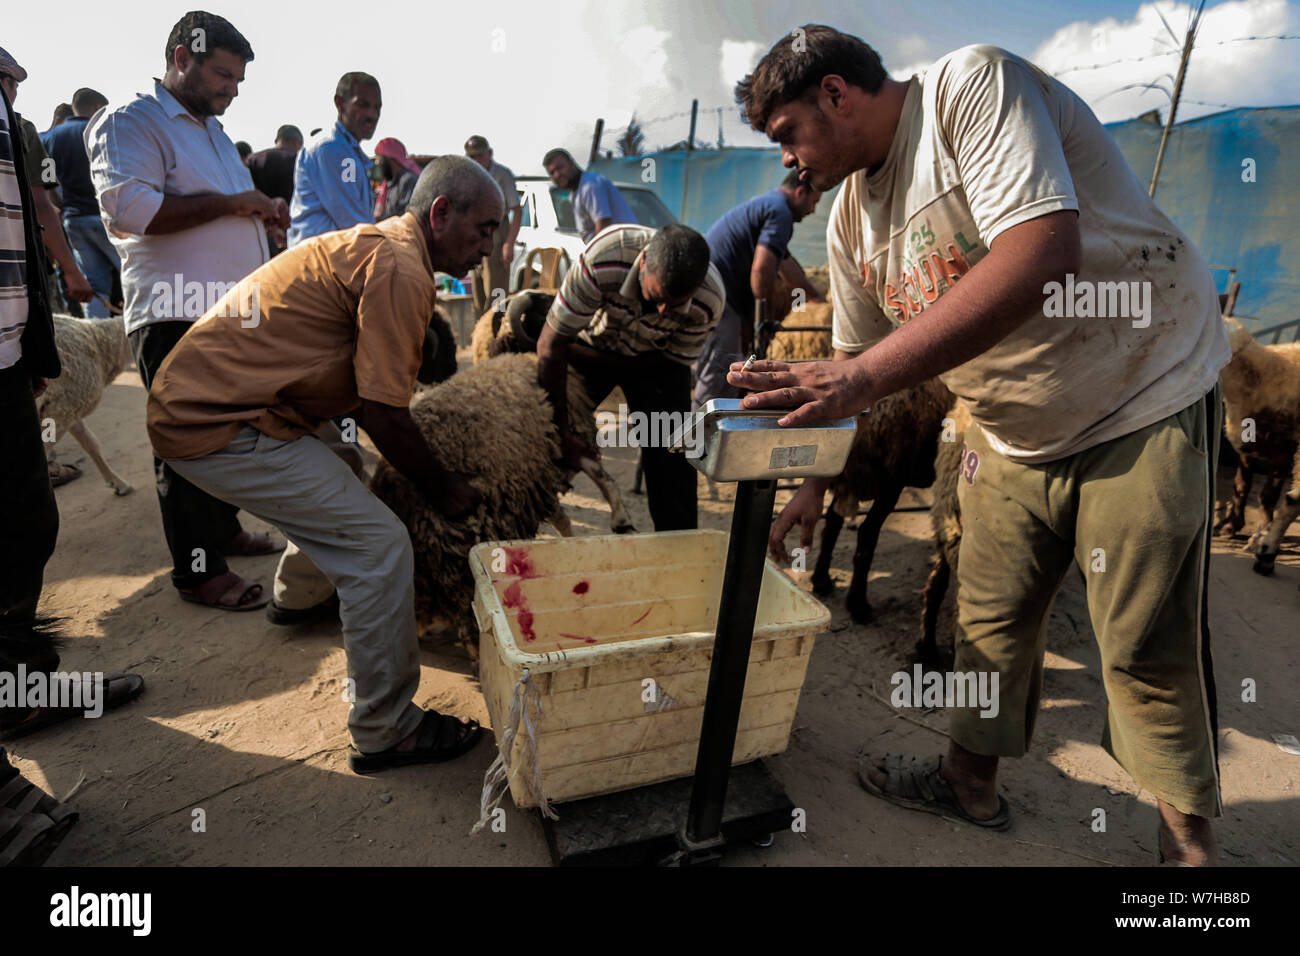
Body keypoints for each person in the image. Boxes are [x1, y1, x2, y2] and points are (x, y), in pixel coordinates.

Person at [728, 26, 1230, 866]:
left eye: (787, 135)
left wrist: (861, 381)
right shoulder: (852, 219)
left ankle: (1190, 859)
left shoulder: (971, 89)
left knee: (1145, 643)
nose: (788, 165)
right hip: (1005, 429)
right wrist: (811, 485)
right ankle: (969, 783)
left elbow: (1043, 252)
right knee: (986, 629)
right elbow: (852, 368)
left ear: (836, 94)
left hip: (1140, 390)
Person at [145, 156, 500, 772]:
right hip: (215, 421)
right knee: (376, 546)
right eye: (485, 228)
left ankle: (299, 595)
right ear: (441, 212)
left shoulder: (383, 248)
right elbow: (384, 413)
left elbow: (366, 405)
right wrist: (445, 488)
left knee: (339, 471)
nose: (489, 245)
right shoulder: (400, 266)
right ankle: (387, 728)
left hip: (232, 404)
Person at [85, 11, 292, 612]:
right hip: (174, 311)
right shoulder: (131, 120)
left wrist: (259, 210)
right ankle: (198, 571)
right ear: (182, 57)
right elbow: (133, 212)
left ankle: (223, 531)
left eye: (239, 80)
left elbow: (224, 208)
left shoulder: (214, 133)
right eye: (224, 75)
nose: (233, 89)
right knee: (186, 441)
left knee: (227, 430)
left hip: (225, 312)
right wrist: (233, 202)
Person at [1, 68, 144, 867]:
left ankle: (17, 689)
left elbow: (35, 209)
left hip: (13, 344)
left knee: (24, 528)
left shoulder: (15, 125)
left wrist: (35, 335)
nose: (13, 79)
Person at [537, 223, 723, 531]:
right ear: (644, 261)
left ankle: (678, 548)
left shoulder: (709, 301)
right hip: (590, 344)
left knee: (671, 452)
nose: (662, 310)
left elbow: (669, 364)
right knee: (543, 432)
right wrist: (562, 428)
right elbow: (551, 344)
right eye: (656, 297)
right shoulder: (605, 259)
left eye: (675, 305)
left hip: (655, 361)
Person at [693, 169, 824, 409]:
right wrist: (759, 319)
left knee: (727, 367)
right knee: (722, 370)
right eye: (814, 202)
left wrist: (814, 296)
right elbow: (761, 270)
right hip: (720, 292)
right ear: (800, 192)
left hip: (716, 289)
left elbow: (786, 264)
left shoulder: (768, 205)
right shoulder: (780, 212)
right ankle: (698, 440)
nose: (812, 210)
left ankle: (710, 434)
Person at [0, 51, 96, 328]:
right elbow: (43, 201)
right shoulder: (23, 131)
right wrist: (70, 269)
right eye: (15, 86)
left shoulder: (45, 136)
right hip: (27, 258)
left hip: (71, 220)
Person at [42, 87, 121, 319]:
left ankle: (99, 343)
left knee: (96, 288)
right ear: (98, 108)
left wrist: (62, 204)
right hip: (105, 218)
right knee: (134, 276)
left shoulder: (51, 138)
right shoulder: (102, 130)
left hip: (73, 221)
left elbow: (47, 181)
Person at [287, 72, 380, 246]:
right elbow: (353, 221)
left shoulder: (348, 153)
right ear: (340, 103)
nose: (372, 115)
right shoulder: (332, 149)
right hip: (320, 263)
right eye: (363, 105)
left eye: (377, 107)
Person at [465, 134, 521, 313]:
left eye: (479, 155)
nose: (476, 160)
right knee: (478, 293)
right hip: (475, 233)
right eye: (472, 157)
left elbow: (516, 210)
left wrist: (509, 244)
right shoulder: (469, 176)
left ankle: (497, 333)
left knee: (497, 295)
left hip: (496, 231)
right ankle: (482, 334)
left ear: (489, 153)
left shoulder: (502, 175)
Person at [542, 148, 637, 242]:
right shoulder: (575, 193)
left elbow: (604, 227)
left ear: (571, 163)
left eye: (560, 168)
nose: (557, 174)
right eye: (552, 172)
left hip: (620, 247)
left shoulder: (590, 186)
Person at [246, 124, 303, 254]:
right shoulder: (300, 162)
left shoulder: (253, 159)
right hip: (290, 235)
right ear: (296, 142)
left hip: (258, 232)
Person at [373, 137, 420, 220]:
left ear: (389, 159)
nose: (376, 163)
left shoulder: (407, 180)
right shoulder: (389, 184)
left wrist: (379, 220)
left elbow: (404, 215)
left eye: (378, 158)